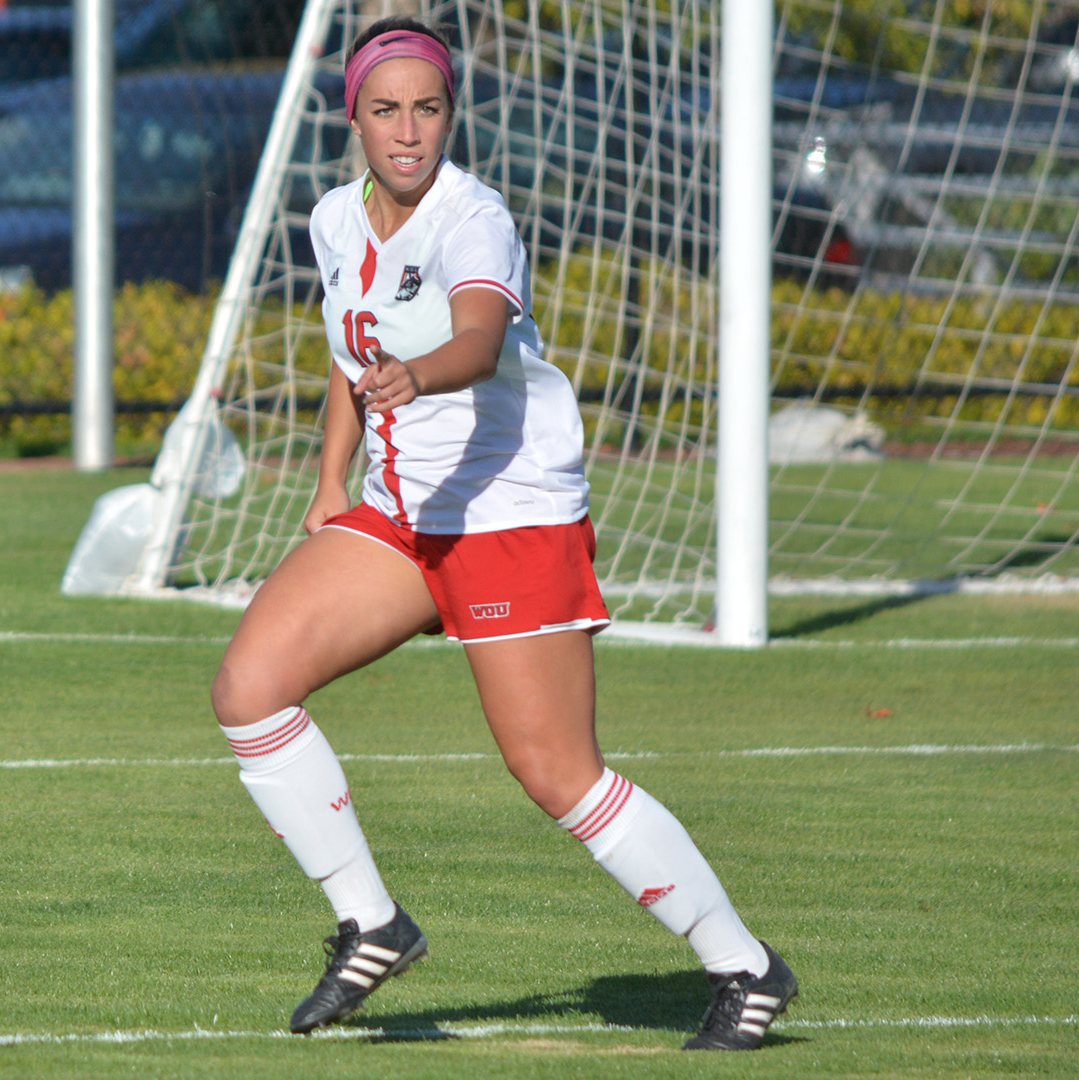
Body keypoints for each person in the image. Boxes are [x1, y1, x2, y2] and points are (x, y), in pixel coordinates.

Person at [208, 16, 797, 1050]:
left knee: (556, 773)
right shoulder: (336, 220)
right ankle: (372, 922)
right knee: (249, 689)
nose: (407, 131)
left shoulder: (471, 219)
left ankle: (745, 967)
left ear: (449, 114)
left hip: (510, 510)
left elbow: (476, 340)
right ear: (354, 116)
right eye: (385, 110)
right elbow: (351, 353)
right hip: (405, 512)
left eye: (426, 109)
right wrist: (330, 475)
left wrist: (414, 374)